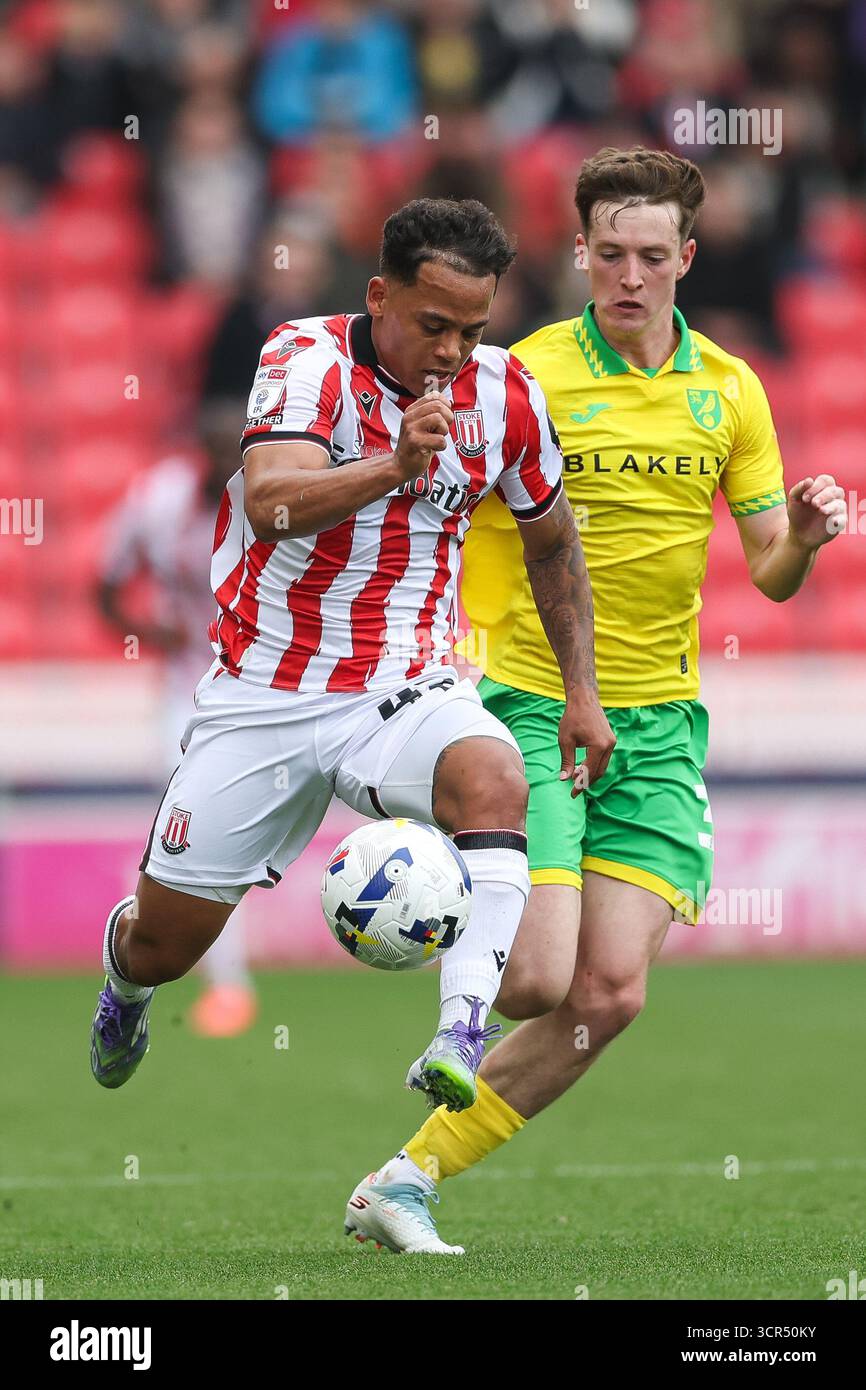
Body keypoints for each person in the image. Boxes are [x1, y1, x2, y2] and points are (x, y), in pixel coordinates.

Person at [347, 147, 846, 1254]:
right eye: (609, 252)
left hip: (660, 721)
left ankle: (403, 1180)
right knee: (535, 978)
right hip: (527, 698)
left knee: (609, 994)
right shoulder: (518, 375)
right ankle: (431, 902)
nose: (629, 275)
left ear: (687, 259)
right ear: (578, 252)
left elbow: (768, 568)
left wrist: (805, 539)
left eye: (651, 256)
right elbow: (423, 503)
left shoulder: (731, 389)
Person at [88, 198, 614, 1150]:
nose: (452, 352)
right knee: (164, 945)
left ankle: (460, 1033)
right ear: (379, 296)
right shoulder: (306, 359)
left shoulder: (507, 394)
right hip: (265, 691)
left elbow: (553, 544)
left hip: (404, 686)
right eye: (433, 324)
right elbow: (273, 503)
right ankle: (125, 983)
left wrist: (583, 692)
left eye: (472, 330)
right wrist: (393, 464)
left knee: (494, 777)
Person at [97, 402, 258, 1038]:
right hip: (187, 695)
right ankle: (225, 987)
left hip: (273, 691)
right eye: (214, 452)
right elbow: (104, 587)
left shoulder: (281, 499)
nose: (224, 465)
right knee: (189, 836)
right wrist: (148, 631)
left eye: (235, 454)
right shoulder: (159, 501)